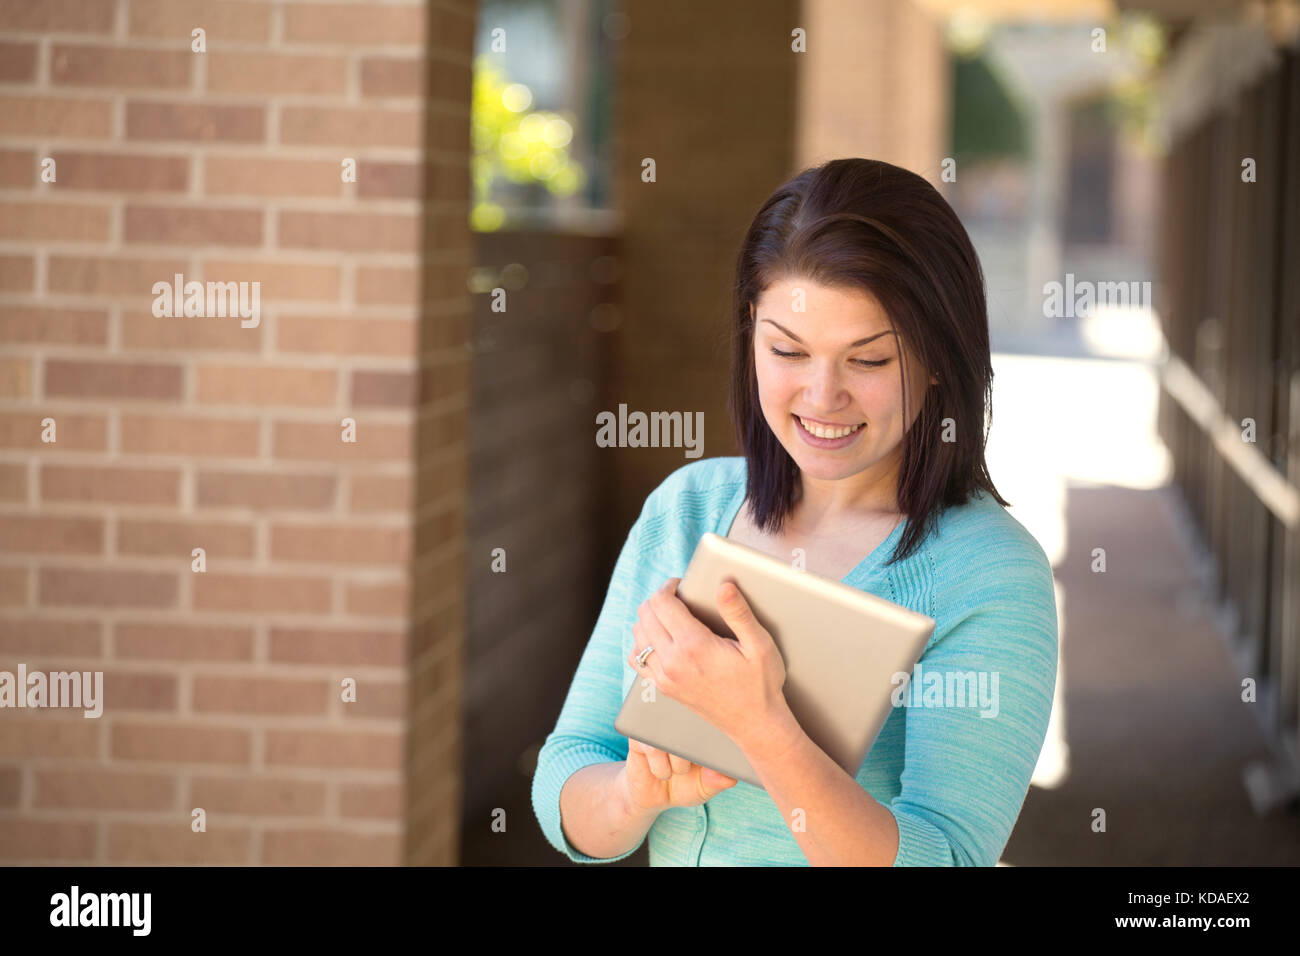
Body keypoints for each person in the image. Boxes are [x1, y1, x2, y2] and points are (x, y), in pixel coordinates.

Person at [530, 157, 1059, 866]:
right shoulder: (688, 510)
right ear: (751, 334)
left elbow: (949, 857)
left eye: (868, 361)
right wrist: (637, 792)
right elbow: (568, 768)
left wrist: (763, 728)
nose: (821, 395)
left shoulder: (988, 572)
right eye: (788, 349)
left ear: (939, 357)